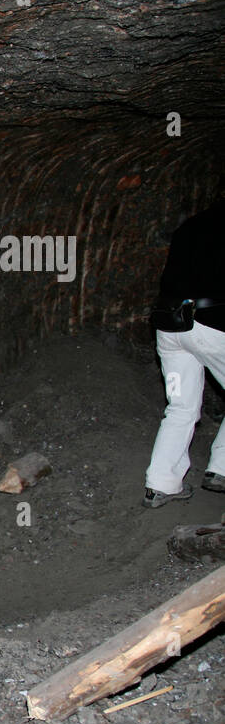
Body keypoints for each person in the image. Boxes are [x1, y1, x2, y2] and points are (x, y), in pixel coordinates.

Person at [143, 200, 225, 508]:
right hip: (212, 325)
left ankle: (162, 484)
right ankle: (221, 469)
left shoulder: (193, 224)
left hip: (171, 326)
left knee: (181, 407)